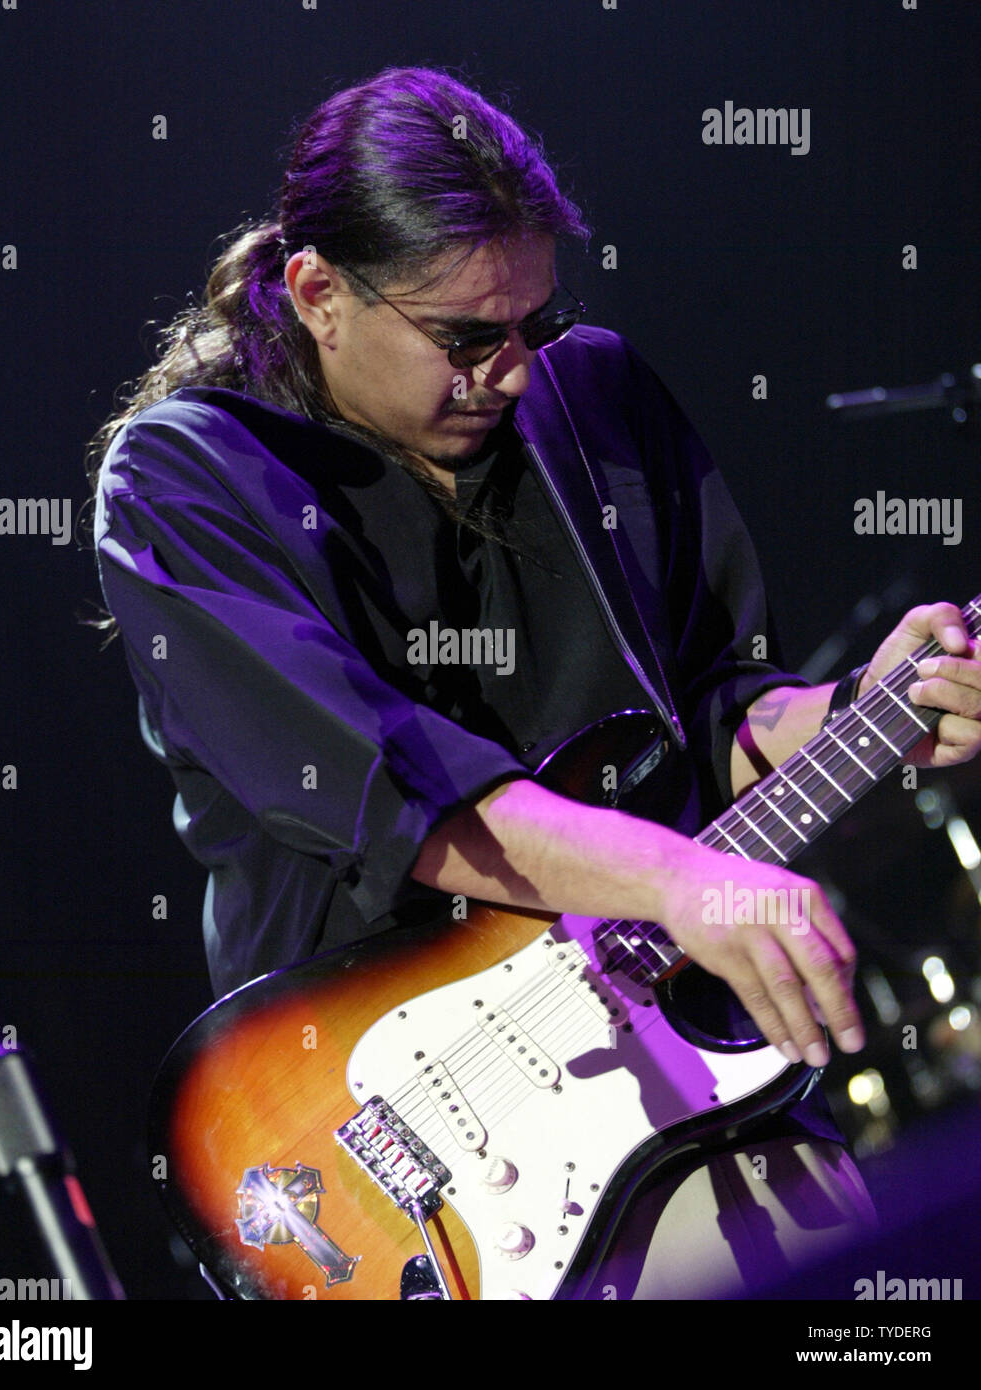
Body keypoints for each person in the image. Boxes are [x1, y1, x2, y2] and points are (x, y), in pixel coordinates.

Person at [87, 66, 981, 1299]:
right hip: (368, 1113)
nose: (506, 372)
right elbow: (380, 786)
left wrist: (863, 716)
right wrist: (679, 875)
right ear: (318, 294)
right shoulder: (186, 477)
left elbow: (710, 705)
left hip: (668, 1047)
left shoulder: (594, 395)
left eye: (529, 327)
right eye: (463, 339)